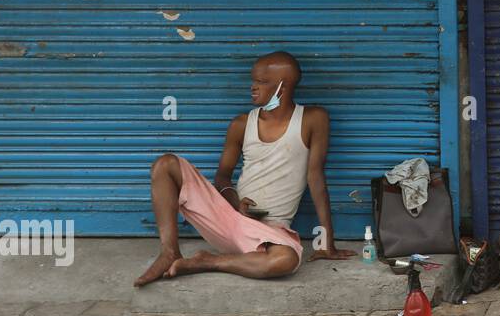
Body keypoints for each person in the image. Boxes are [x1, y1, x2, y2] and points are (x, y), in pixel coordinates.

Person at [134, 51, 354, 286]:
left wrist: (326, 241)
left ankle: (207, 261)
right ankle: (169, 252)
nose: (253, 87)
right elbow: (222, 177)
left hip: (268, 231)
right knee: (165, 164)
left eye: (261, 82)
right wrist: (236, 202)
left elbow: (315, 178)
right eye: (253, 81)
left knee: (286, 260)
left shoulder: (313, 119)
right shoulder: (241, 124)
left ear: (283, 86)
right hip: (227, 216)